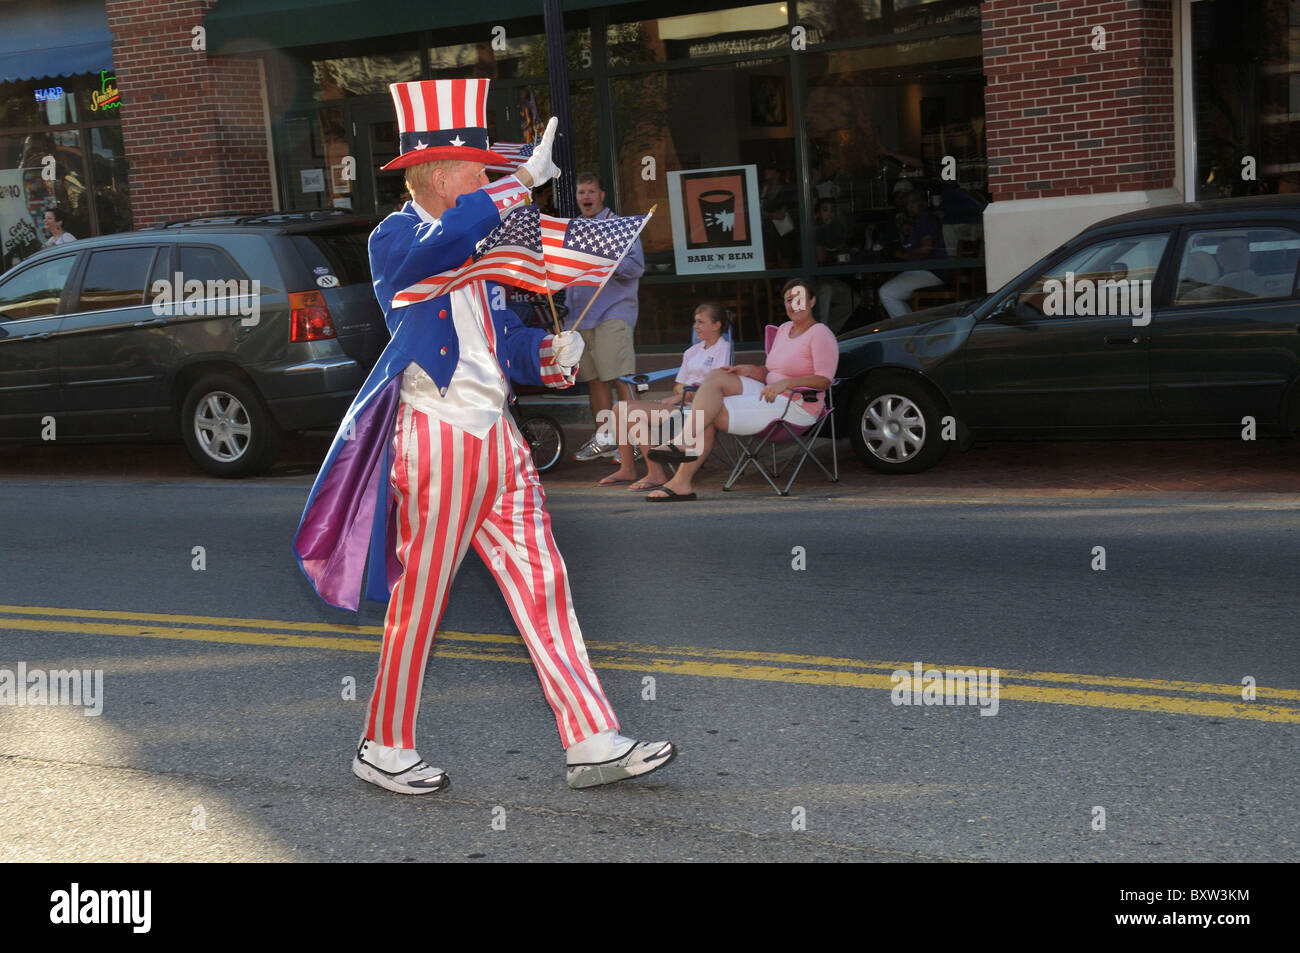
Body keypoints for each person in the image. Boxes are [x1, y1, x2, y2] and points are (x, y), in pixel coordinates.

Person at [293, 78, 676, 795]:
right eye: (478, 168)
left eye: (493, 171)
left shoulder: (479, 239)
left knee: (543, 584)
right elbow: (438, 255)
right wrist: (522, 183)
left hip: (499, 437)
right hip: (436, 437)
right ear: (440, 176)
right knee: (422, 598)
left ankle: (591, 737)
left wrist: (546, 357)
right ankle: (382, 743)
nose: (490, 177)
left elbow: (500, 337)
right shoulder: (399, 239)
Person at [644, 278, 837, 501]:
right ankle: (683, 452)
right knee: (717, 377)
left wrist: (786, 384)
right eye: (788, 300)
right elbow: (771, 370)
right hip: (770, 391)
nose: (794, 305)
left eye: (799, 299)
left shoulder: (820, 333)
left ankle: (681, 479)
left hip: (797, 403)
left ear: (812, 301)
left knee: (709, 413)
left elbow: (824, 380)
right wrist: (750, 370)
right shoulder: (784, 330)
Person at [595, 302, 733, 492]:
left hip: (700, 410)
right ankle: (627, 469)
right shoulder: (691, 352)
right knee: (619, 407)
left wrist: (682, 395)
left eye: (701, 322)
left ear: (717, 325)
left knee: (632, 413)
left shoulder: (723, 349)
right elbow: (679, 385)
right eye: (695, 322)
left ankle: (655, 472)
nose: (696, 327)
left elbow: (717, 385)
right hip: (681, 403)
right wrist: (679, 395)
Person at [568, 172, 645, 463]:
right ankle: (605, 440)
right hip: (581, 317)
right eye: (581, 192)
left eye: (591, 191)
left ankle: (638, 442)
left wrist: (604, 256)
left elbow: (635, 268)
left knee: (620, 378)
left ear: (602, 195)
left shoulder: (619, 227)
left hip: (614, 313)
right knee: (595, 380)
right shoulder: (573, 229)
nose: (586, 197)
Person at [878, 192, 947, 318]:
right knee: (888, 291)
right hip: (919, 270)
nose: (909, 206)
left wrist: (903, 255)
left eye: (913, 202)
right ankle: (912, 326)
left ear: (923, 204)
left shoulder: (927, 219)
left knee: (887, 293)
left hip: (931, 271)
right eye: (907, 203)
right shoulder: (916, 222)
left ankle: (908, 330)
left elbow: (926, 249)